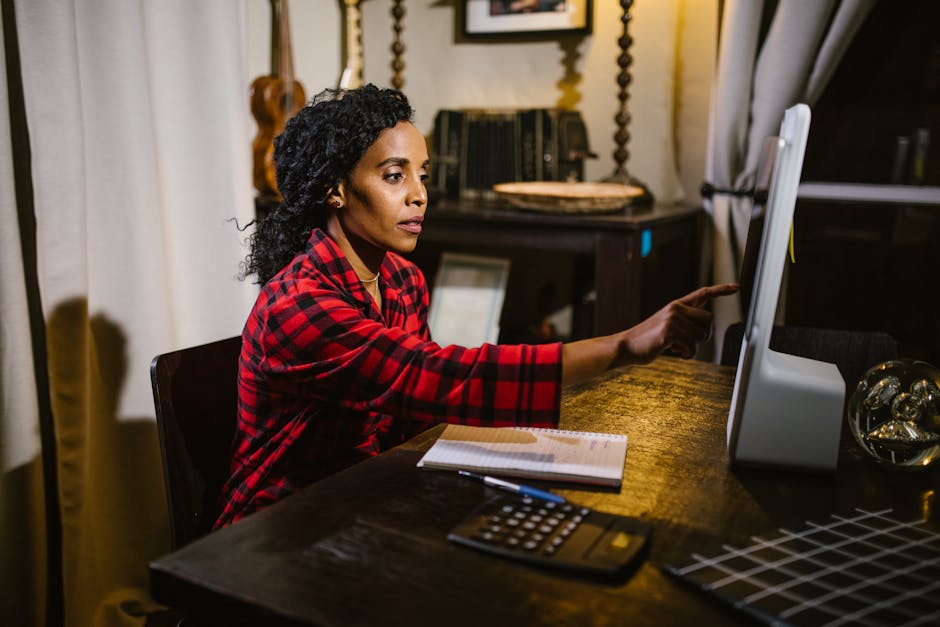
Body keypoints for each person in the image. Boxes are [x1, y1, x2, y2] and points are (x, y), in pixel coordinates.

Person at [214, 84, 737, 528]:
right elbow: (438, 379)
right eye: (394, 176)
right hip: (278, 529)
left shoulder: (401, 279)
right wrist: (624, 344)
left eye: (422, 174)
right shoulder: (300, 307)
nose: (420, 194)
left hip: (362, 502)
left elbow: (410, 415)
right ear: (335, 189)